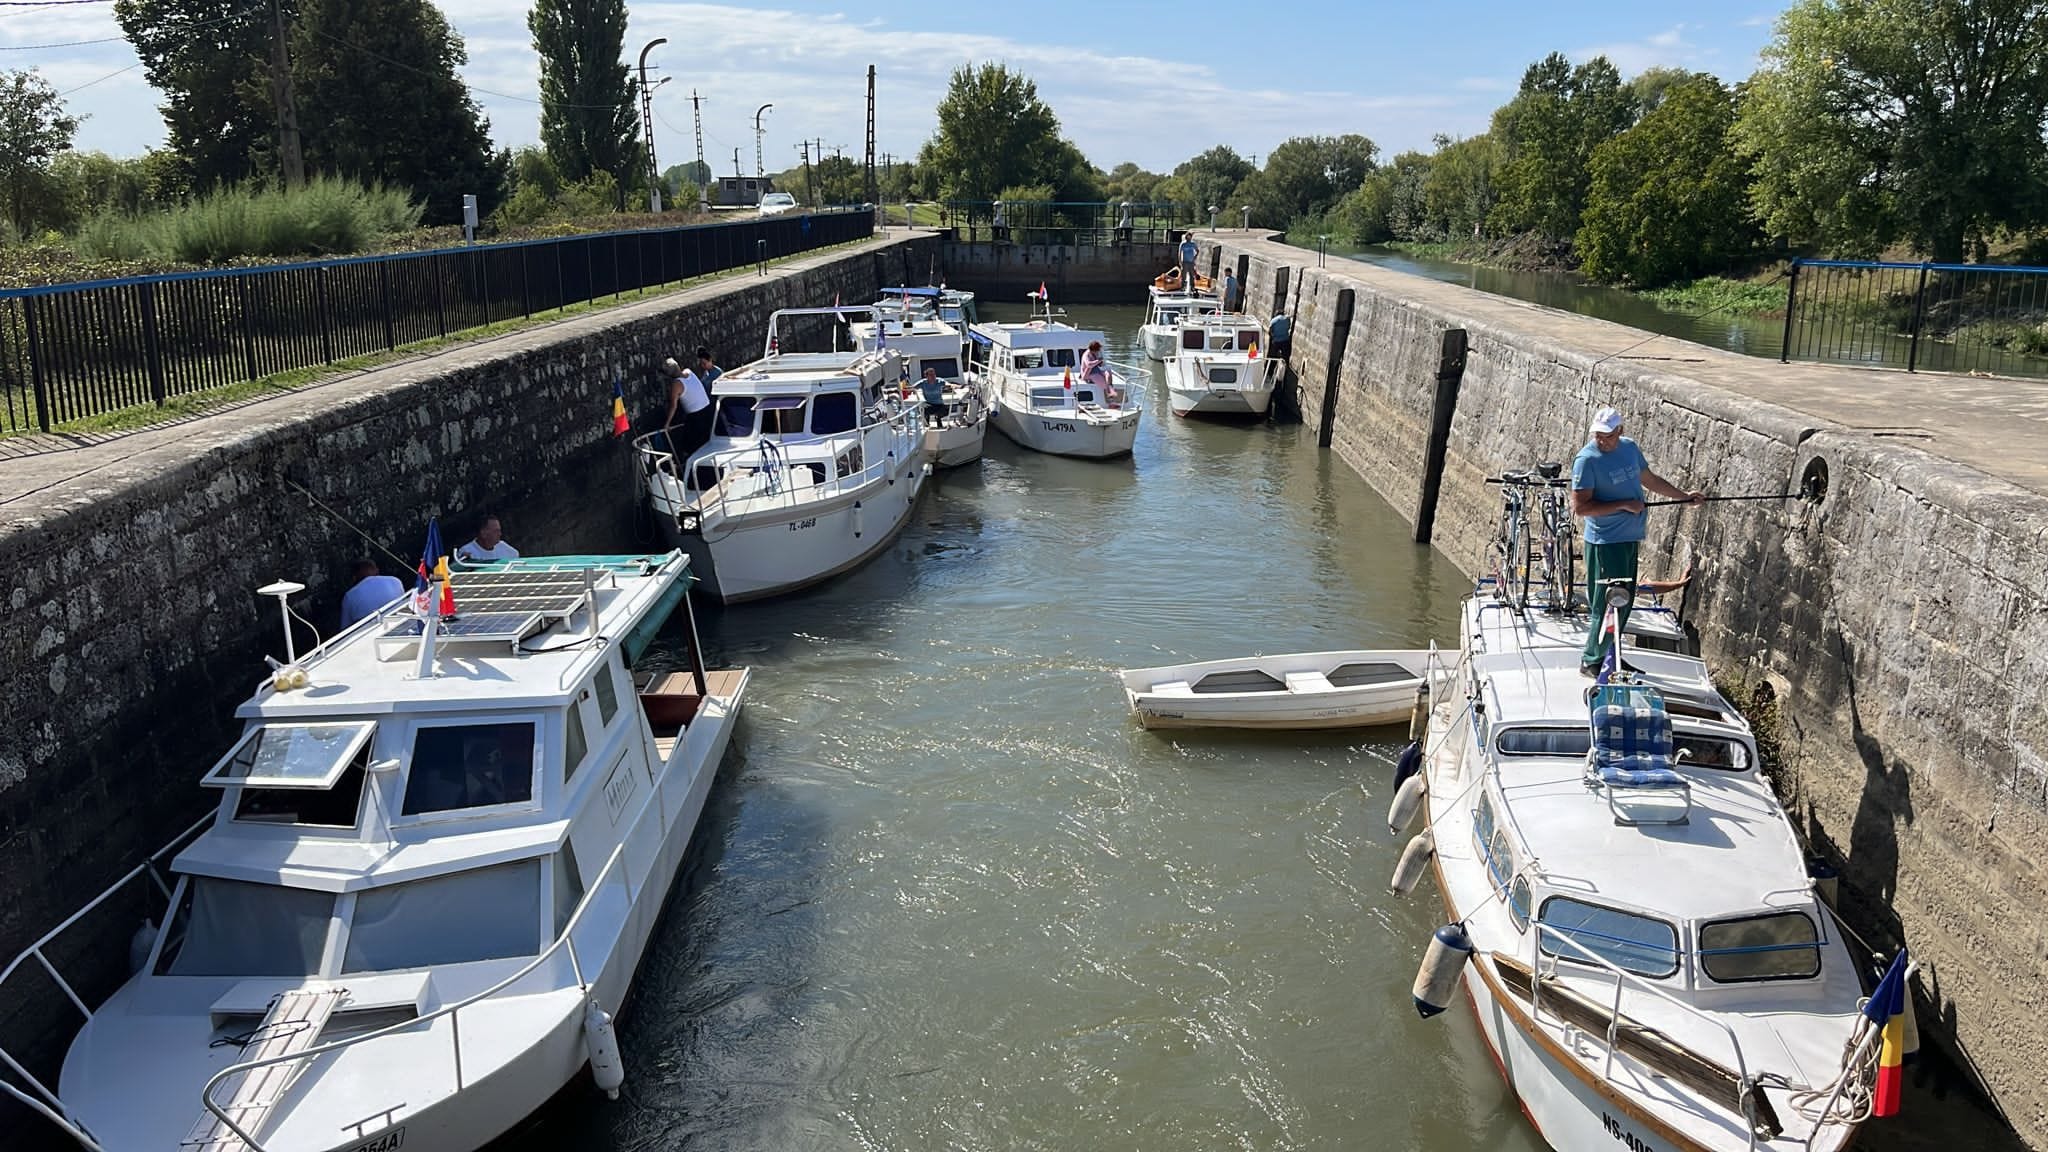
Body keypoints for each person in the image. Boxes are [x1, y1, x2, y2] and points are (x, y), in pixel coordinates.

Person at [1572, 407, 1704, 676]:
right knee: (1608, 602)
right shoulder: (1586, 460)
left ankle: (1612, 656)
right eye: (1598, 435)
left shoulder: (1630, 448)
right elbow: (1581, 508)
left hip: (1630, 538)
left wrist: (1683, 497)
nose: (1602, 440)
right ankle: (1591, 660)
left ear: (1620, 430)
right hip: (1605, 543)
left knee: (1625, 600)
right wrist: (1623, 504)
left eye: (1608, 435)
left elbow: (1650, 479)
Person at [662, 356, 712, 459]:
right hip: (708, 409)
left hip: (696, 416)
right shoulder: (689, 372)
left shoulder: (677, 384)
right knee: (706, 439)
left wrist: (667, 424)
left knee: (690, 445)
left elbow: (673, 406)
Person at [339, 559, 405, 628]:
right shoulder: (395, 581)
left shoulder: (349, 596)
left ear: (354, 577)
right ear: (377, 570)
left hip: (373, 632)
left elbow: (345, 629)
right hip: (401, 625)